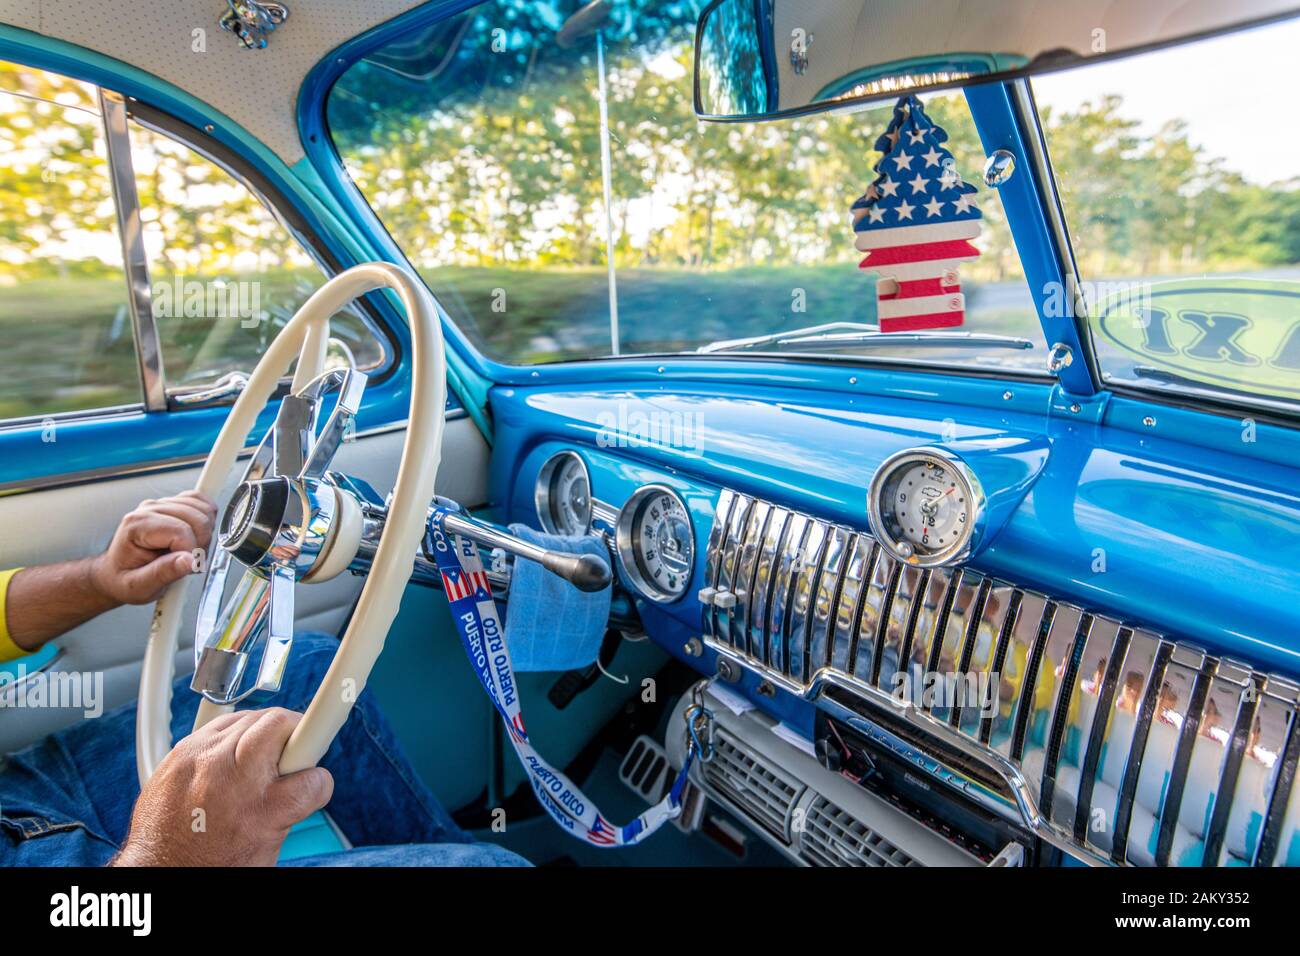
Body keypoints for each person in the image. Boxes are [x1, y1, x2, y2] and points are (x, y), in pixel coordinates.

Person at [0, 491, 525, 867]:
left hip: (22, 790)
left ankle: (436, 841)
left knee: (309, 668)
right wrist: (174, 857)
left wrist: (102, 579)